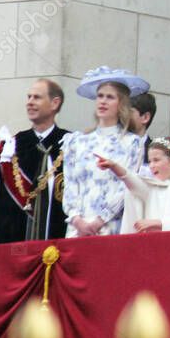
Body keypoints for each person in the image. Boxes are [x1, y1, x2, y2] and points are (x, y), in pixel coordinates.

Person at [0, 79, 71, 243]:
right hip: (16, 243)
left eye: (37, 97)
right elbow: (0, 205)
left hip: (55, 242)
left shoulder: (69, 143)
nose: (30, 102)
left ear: (55, 103)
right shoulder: (13, 146)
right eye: (29, 97)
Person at [62, 67, 148, 236]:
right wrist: (76, 219)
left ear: (121, 104)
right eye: (100, 96)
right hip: (77, 228)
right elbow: (70, 184)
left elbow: (127, 186)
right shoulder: (76, 141)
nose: (103, 101)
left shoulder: (132, 143)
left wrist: (100, 220)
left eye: (110, 97)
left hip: (110, 227)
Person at [97, 137, 170, 233]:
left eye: (156, 160)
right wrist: (114, 166)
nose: (151, 165)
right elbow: (131, 180)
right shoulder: (151, 189)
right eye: (150, 161)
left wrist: (159, 223)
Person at [130, 92, 158, 162]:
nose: (122, 116)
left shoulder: (157, 153)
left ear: (145, 117)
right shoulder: (111, 145)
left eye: (129, 112)